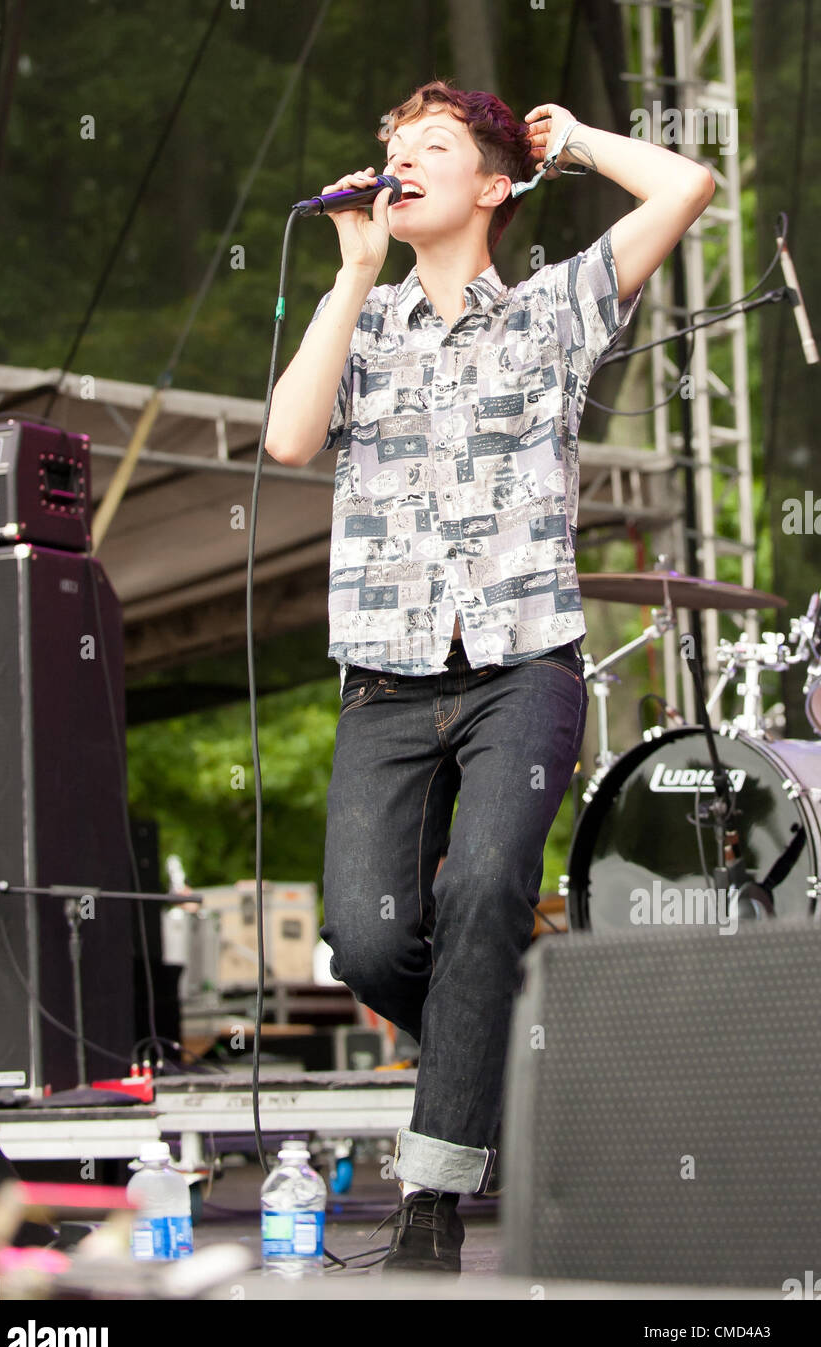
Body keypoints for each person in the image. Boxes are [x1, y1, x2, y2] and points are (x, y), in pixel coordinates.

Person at [265, 79, 714, 1276]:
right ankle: (529, 1063)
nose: (401, 162)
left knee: (481, 900)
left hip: (524, 667)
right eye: (391, 147)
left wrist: (578, 141)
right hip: (387, 677)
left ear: (494, 184)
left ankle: (434, 1196)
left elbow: (688, 186)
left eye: (432, 147)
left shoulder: (559, 308)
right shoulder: (358, 316)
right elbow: (289, 440)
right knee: (365, 941)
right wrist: (352, 272)